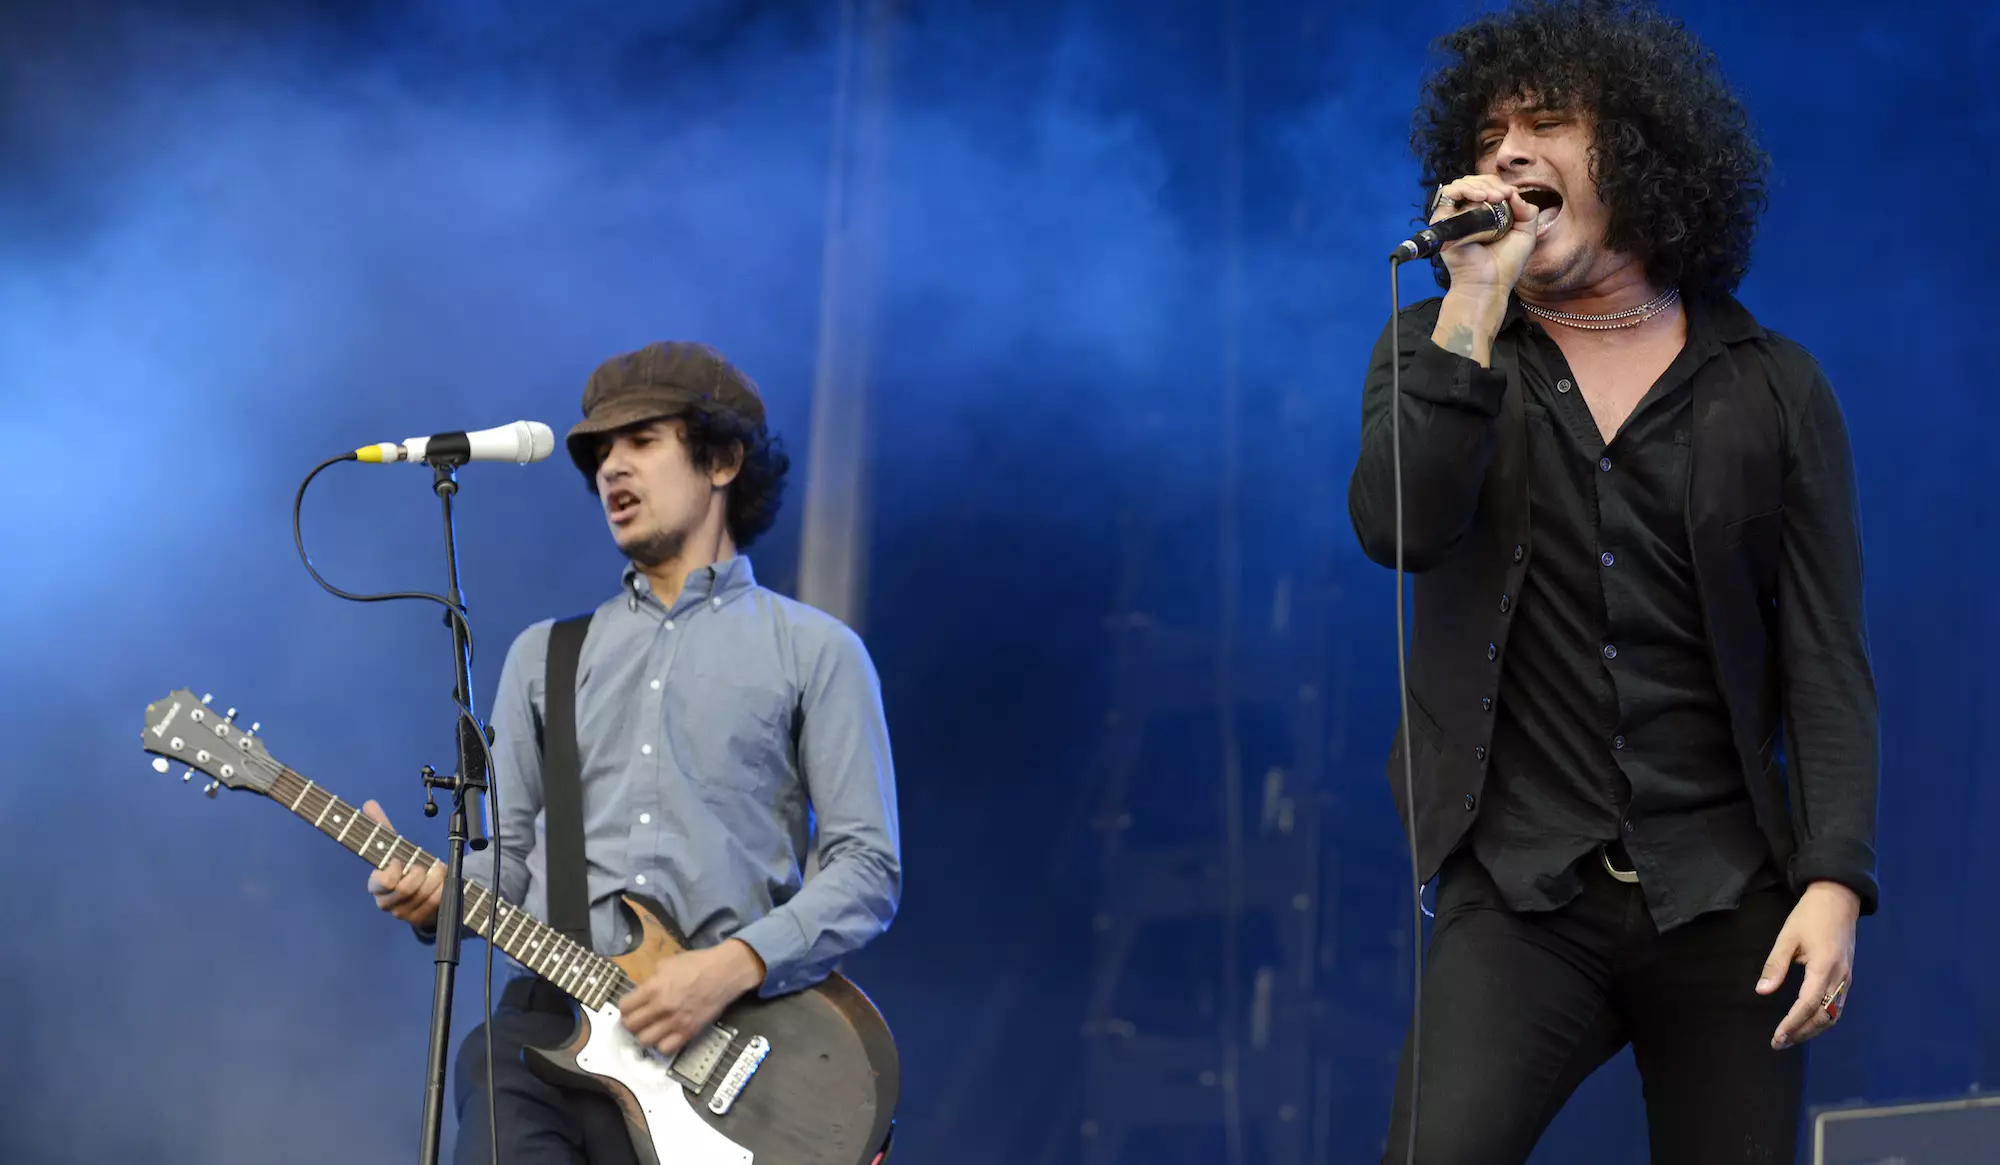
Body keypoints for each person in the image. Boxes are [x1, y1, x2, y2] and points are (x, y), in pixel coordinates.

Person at [1347, 2, 1877, 1162]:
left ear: (1638, 156)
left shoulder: (1770, 385)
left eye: (1546, 124)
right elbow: (1398, 528)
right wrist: (1475, 306)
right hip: (1524, 890)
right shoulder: (1440, 345)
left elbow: (1826, 657)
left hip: (1724, 892)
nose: (1507, 154)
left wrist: (1833, 879)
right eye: (1489, 135)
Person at [360, 341, 902, 1163]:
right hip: (549, 1032)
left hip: (728, 1044)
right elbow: (505, 863)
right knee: (491, 1065)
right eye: (600, 451)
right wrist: (437, 892)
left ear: (720, 459)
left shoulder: (817, 652)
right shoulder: (546, 656)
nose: (611, 467)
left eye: (640, 440)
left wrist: (727, 967)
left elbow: (867, 868)